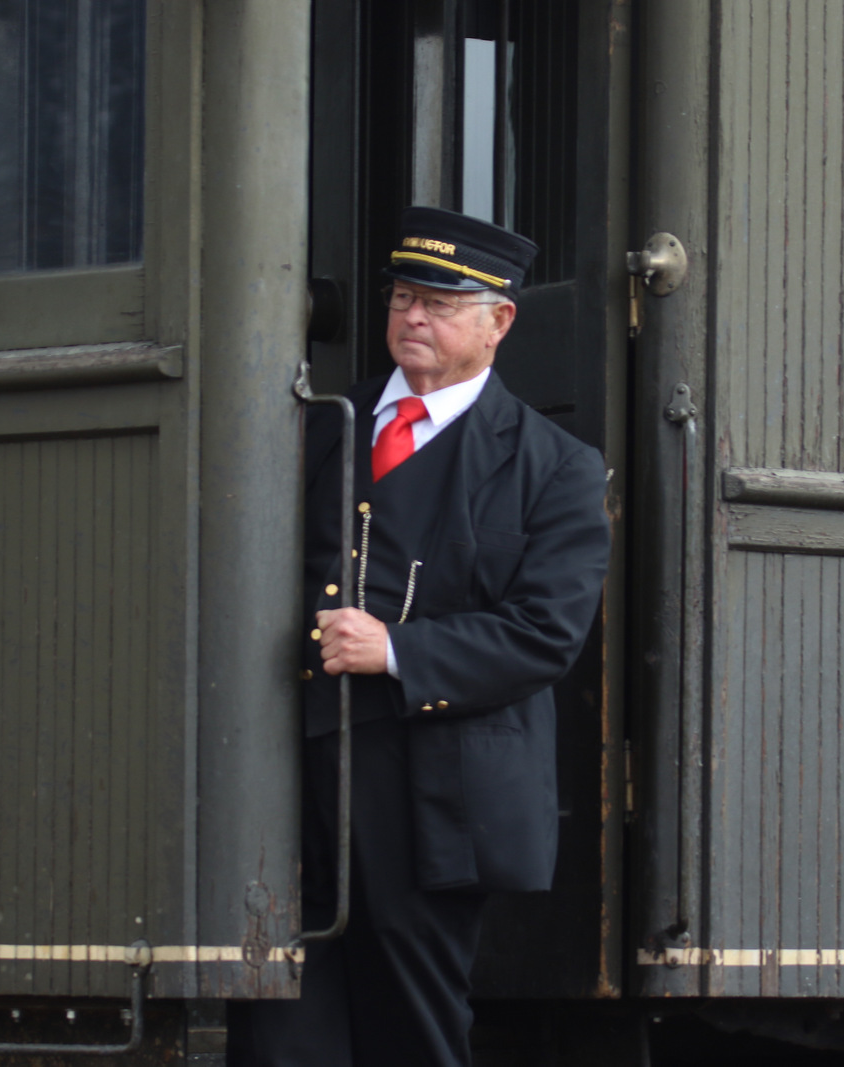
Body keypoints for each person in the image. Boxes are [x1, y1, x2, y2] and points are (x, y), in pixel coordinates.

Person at [235, 207, 611, 1067]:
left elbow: (544, 634)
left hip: (437, 792)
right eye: (404, 295)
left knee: (413, 1024)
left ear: (499, 321)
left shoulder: (556, 466)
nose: (413, 317)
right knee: (280, 1023)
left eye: (441, 302)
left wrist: (397, 650)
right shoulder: (318, 421)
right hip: (294, 768)